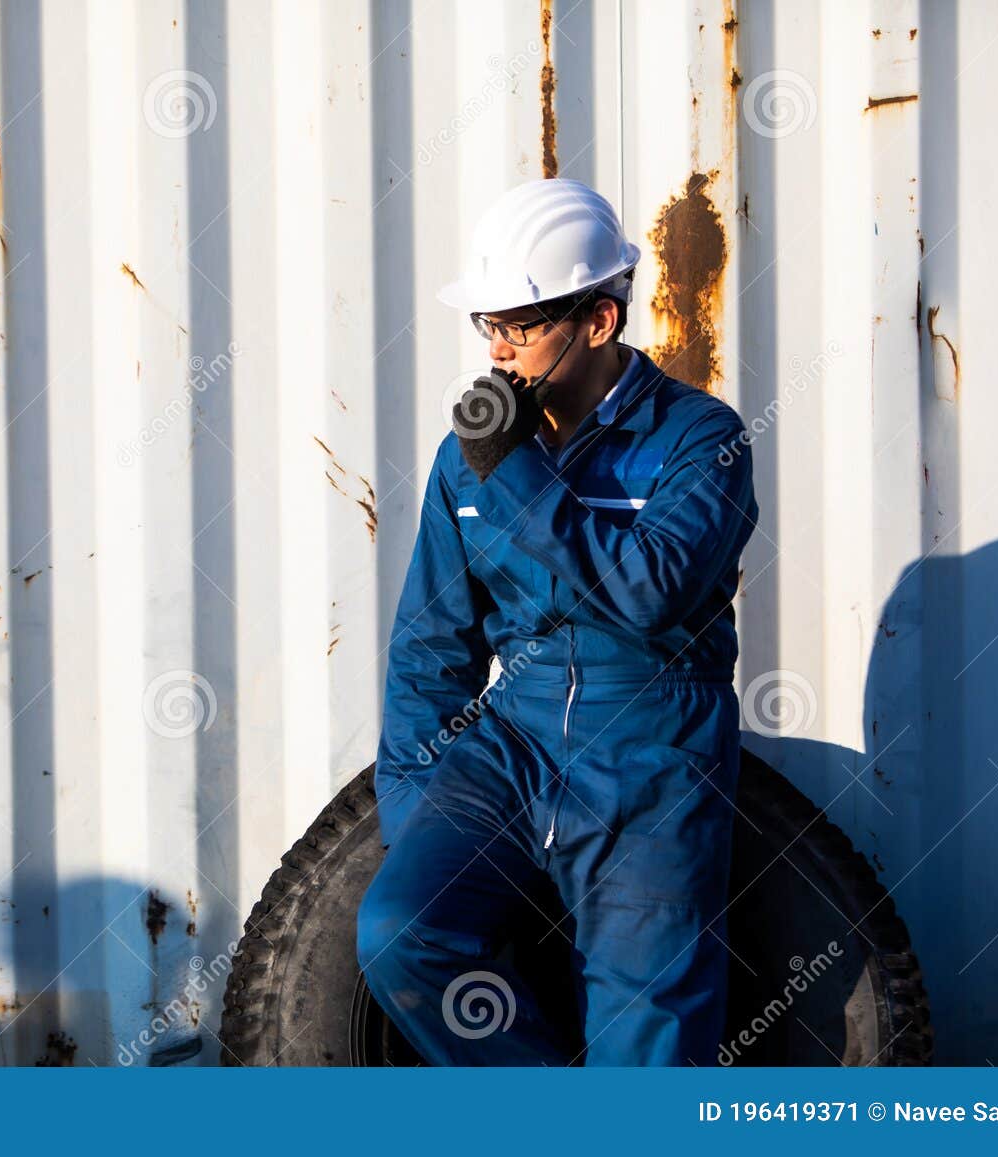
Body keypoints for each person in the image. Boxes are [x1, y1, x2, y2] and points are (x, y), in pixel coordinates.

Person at [356, 177, 760, 1065]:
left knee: (644, 1038)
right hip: (515, 738)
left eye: (523, 325)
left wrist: (517, 474)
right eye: (488, 325)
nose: (500, 350)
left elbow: (654, 594)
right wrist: (415, 812)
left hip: (652, 747)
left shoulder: (703, 439)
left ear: (598, 322)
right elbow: (433, 645)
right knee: (400, 929)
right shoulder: (469, 460)